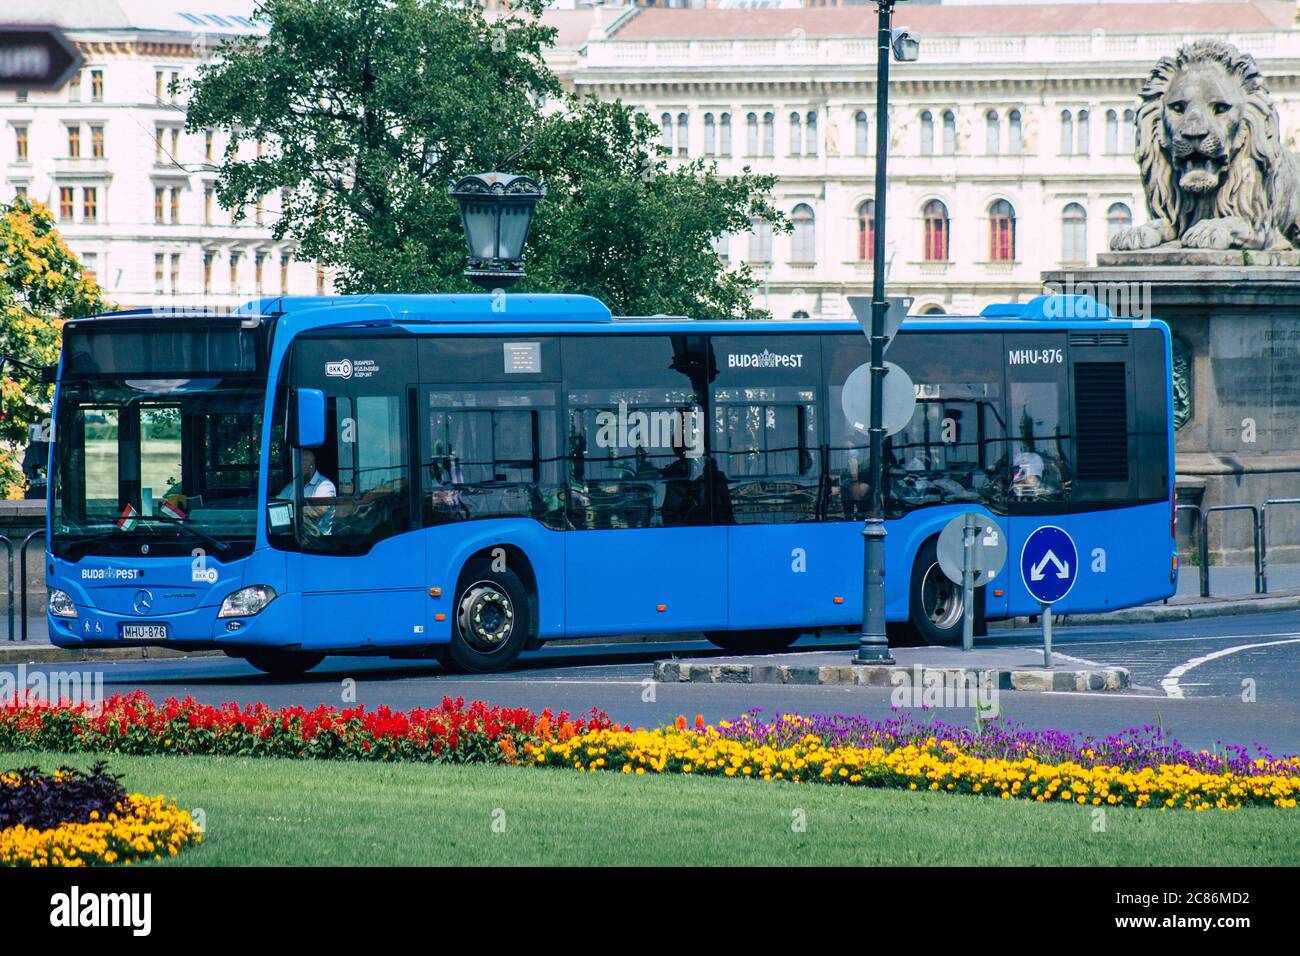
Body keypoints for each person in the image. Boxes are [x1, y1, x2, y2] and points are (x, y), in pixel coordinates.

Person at [278, 448, 336, 534]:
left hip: (319, 540)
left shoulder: (325, 485)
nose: (297, 466)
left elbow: (319, 510)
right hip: (295, 537)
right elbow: (278, 502)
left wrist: (292, 510)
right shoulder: (293, 486)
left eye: (302, 462)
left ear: (311, 465)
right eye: (296, 462)